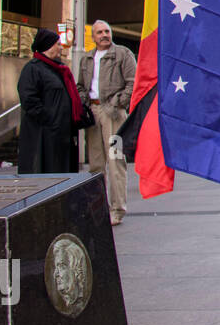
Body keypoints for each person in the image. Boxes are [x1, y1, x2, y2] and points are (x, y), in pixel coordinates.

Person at [76, 20, 137, 226]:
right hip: (93, 113)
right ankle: (98, 208)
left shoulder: (123, 54)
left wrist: (118, 102)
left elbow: (132, 81)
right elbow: (80, 85)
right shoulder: (86, 58)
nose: (104, 35)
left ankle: (117, 209)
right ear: (93, 37)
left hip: (114, 114)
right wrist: (85, 101)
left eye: (107, 31)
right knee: (95, 165)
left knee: (115, 162)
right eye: (99, 32)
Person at [18, 29, 82, 174]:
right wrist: (49, 119)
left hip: (61, 133)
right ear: (49, 46)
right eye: (58, 44)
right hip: (44, 135)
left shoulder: (59, 70)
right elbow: (28, 99)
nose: (61, 48)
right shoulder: (33, 69)